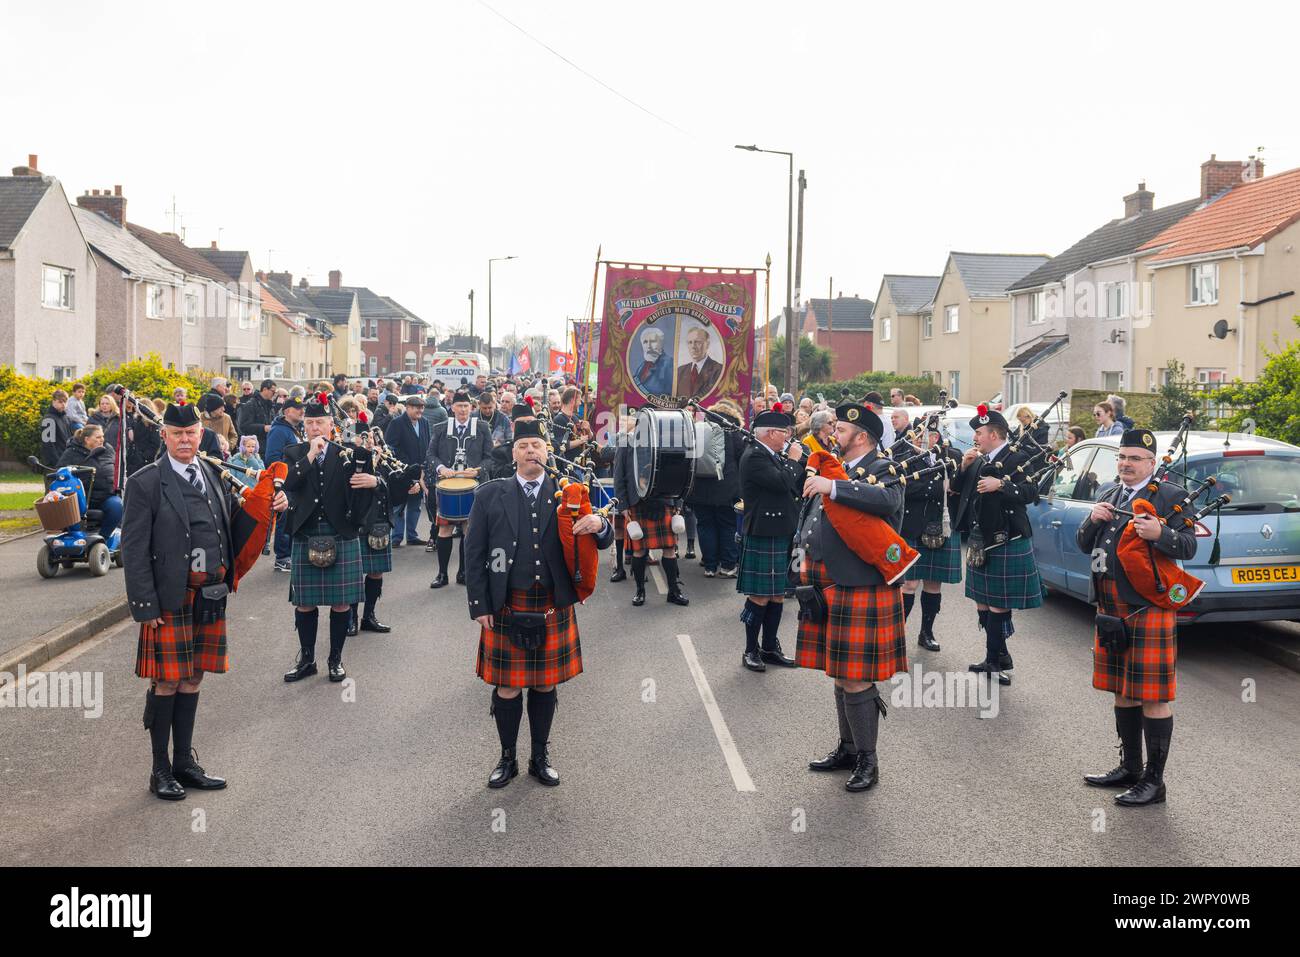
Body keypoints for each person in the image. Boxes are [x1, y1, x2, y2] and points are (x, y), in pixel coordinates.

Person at [122, 400, 287, 800]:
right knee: (167, 681)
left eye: (191, 433)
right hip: (169, 599)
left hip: (210, 593)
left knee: (193, 677)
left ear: (201, 434)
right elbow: (133, 548)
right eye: (177, 434)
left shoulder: (212, 471)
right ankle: (160, 769)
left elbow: (232, 519)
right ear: (165, 436)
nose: (184, 440)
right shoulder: (145, 482)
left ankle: (184, 763)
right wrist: (145, 606)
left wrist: (271, 505)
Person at [465, 419, 615, 788]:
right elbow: (474, 553)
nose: (531, 451)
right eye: (523, 446)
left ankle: (540, 755)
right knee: (507, 687)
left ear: (548, 451)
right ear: (513, 454)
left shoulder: (570, 492)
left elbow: (604, 535)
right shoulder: (489, 495)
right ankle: (507, 758)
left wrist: (600, 525)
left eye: (537, 445)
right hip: (506, 603)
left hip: (552, 602)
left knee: (546, 686)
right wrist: (479, 604)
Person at [1076, 428, 1194, 807]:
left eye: (1135, 459)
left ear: (1152, 463)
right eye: (1122, 457)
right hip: (1110, 604)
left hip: (1148, 604)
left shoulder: (1171, 496)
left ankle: (1154, 782)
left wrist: (1161, 532)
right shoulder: (1109, 492)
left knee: (1152, 695)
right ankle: (1130, 768)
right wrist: (1092, 519)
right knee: (1122, 689)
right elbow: (1083, 544)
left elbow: (1189, 546)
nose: (1126, 463)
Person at [796, 402, 907, 793]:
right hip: (828, 577)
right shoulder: (831, 466)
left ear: (862, 437)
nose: (833, 434)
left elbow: (887, 502)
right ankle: (847, 748)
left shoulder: (883, 468)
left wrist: (835, 486)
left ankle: (868, 759)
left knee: (857, 678)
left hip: (861, 582)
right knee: (840, 674)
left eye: (840, 430)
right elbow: (814, 515)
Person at [281, 395, 378, 683]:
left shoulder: (347, 452)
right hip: (306, 532)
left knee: (341, 604)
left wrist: (375, 481)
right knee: (305, 604)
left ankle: (335, 659)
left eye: (320, 422)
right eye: (309, 423)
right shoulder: (294, 453)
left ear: (331, 424)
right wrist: (310, 455)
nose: (314, 428)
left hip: (340, 533)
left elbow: (372, 485)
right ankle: (307, 659)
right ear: (304, 427)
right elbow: (289, 483)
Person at [949, 404, 1043, 685]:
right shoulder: (977, 459)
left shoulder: (1019, 457)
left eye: (979, 432)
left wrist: (1000, 485)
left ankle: (994, 660)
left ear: (994, 434)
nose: (975, 437)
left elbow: (1031, 492)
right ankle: (999, 656)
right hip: (980, 537)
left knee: (999, 604)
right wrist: (964, 467)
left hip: (1007, 536)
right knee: (982, 602)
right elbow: (956, 489)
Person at [736, 404, 805, 672]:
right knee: (760, 596)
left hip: (780, 530)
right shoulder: (754, 456)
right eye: (783, 432)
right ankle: (750, 650)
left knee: (776, 595)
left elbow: (791, 485)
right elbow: (780, 482)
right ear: (769, 433)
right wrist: (794, 461)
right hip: (764, 531)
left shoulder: (771, 453)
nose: (787, 437)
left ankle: (769, 647)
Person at [898, 425, 963, 652]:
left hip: (940, 527)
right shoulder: (904, 459)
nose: (928, 439)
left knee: (934, 583)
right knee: (908, 584)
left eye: (933, 435)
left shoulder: (952, 457)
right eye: (924, 434)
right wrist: (939, 486)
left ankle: (927, 632)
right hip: (912, 527)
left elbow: (960, 486)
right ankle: (898, 634)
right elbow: (905, 488)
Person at [614, 419, 689, 608]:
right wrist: (623, 506)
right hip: (637, 502)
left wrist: (678, 501)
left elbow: (679, 473)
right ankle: (640, 591)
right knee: (639, 550)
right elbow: (619, 476)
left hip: (664, 500)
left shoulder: (666, 442)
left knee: (670, 549)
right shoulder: (626, 443)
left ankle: (673, 591)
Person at [338, 396, 393, 636]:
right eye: (363, 438)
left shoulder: (381, 455)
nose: (368, 441)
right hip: (353, 520)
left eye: (369, 438)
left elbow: (392, 484)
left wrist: (379, 479)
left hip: (378, 520)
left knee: (376, 571)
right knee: (353, 572)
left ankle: (368, 615)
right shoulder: (346, 458)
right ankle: (350, 617)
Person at [427, 391, 493, 587]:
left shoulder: (482, 427)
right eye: (459, 406)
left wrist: (478, 470)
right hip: (447, 487)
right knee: (445, 528)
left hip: (473, 487)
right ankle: (442, 574)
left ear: (471, 408)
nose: (463, 409)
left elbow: (490, 458)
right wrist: (442, 468)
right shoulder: (441, 428)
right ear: (452, 407)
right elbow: (430, 455)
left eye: (466, 406)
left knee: (468, 529)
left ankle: (463, 573)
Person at [688, 399, 745, 578]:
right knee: (727, 525)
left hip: (699, 486)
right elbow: (743, 458)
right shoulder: (734, 430)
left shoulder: (699, 428)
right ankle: (727, 565)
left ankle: (710, 565)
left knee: (705, 525)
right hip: (726, 487)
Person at [57, 423, 124, 542]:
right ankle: (75, 537)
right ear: (87, 439)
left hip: (105, 497)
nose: (102, 439)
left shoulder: (108, 449)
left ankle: (104, 537)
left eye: (102, 436)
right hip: (80, 498)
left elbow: (117, 468)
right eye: (98, 437)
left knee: (117, 505)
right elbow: (61, 474)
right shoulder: (71, 453)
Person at [384, 393, 432, 546]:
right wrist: (403, 463)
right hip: (402, 470)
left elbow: (428, 443)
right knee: (400, 504)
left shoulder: (424, 422)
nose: (420, 410)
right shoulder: (397, 423)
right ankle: (396, 538)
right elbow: (390, 446)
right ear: (407, 408)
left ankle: (412, 536)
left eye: (422, 407)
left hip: (420, 470)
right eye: (416, 408)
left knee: (415, 505)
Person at [265, 397, 304, 572]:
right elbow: (272, 458)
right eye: (297, 408)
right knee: (284, 520)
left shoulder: (293, 430)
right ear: (287, 411)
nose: (302, 411)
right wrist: (283, 478)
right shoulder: (279, 431)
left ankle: (290, 553)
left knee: (293, 518)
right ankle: (282, 557)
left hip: (296, 481)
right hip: (285, 482)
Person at [472, 390, 513, 479]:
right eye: (484, 408)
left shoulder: (503, 418)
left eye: (490, 407)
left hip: (498, 459)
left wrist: (500, 445)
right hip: (479, 459)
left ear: (494, 404)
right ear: (479, 405)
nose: (487, 410)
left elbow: (510, 439)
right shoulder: (473, 418)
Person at [676, 325, 723, 398]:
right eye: (690, 342)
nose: (693, 347)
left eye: (697, 342)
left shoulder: (718, 370)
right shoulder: (680, 371)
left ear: (707, 344)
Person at [236, 379, 277, 458]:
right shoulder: (250, 404)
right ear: (265, 389)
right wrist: (263, 428)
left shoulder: (270, 405)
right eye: (273, 391)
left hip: (267, 447)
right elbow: (243, 427)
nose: (274, 394)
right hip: (254, 450)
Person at [632, 327, 673, 395]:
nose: (649, 346)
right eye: (645, 342)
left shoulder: (669, 365)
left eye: (653, 341)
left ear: (661, 344)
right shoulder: (641, 367)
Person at [40, 389, 73, 467]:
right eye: (60, 402)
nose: (63, 404)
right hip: (54, 465)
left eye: (65, 402)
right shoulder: (48, 420)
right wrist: (57, 464)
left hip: (66, 461)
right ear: (53, 401)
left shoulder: (66, 418)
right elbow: (48, 446)